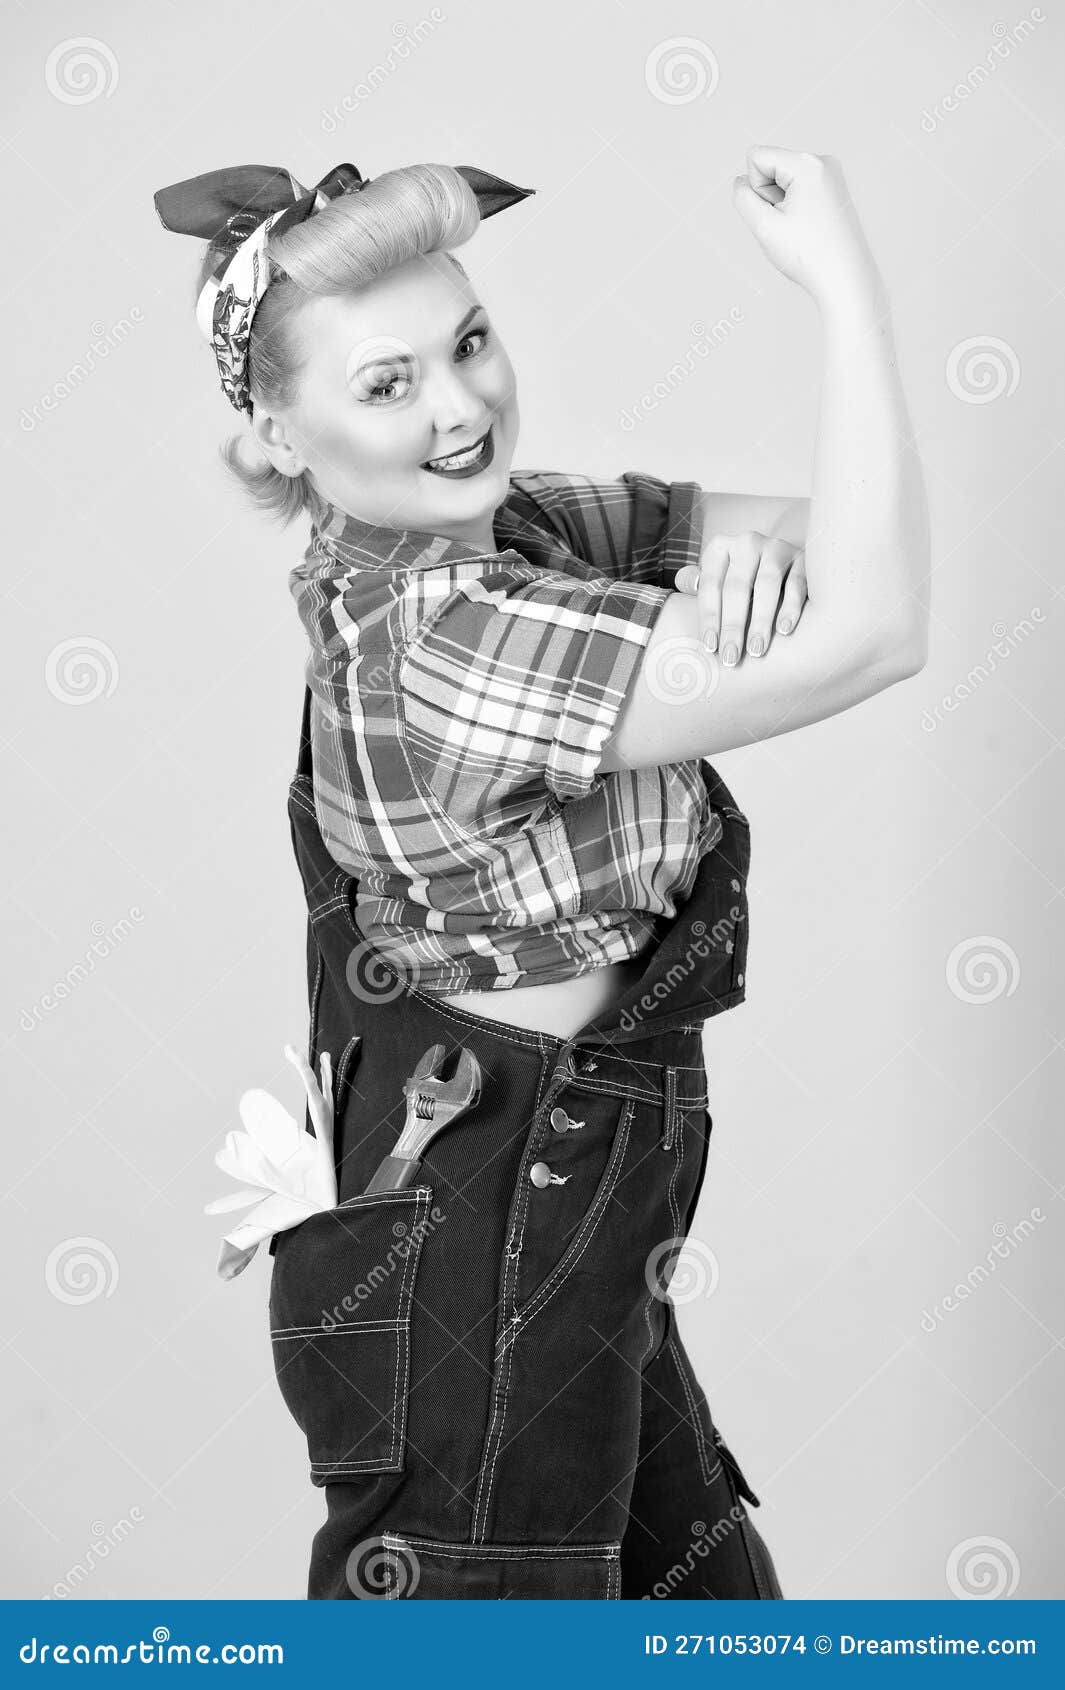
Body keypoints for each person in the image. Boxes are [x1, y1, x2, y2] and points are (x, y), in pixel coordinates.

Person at [154, 148, 929, 1600]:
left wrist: (711, 589)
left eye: (467, 342)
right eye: (386, 384)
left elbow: (835, 555)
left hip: (565, 1220)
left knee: (704, 1620)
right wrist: (843, 292)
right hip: (487, 1234)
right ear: (276, 425)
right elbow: (879, 624)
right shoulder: (444, 641)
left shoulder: (509, 539)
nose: (459, 407)